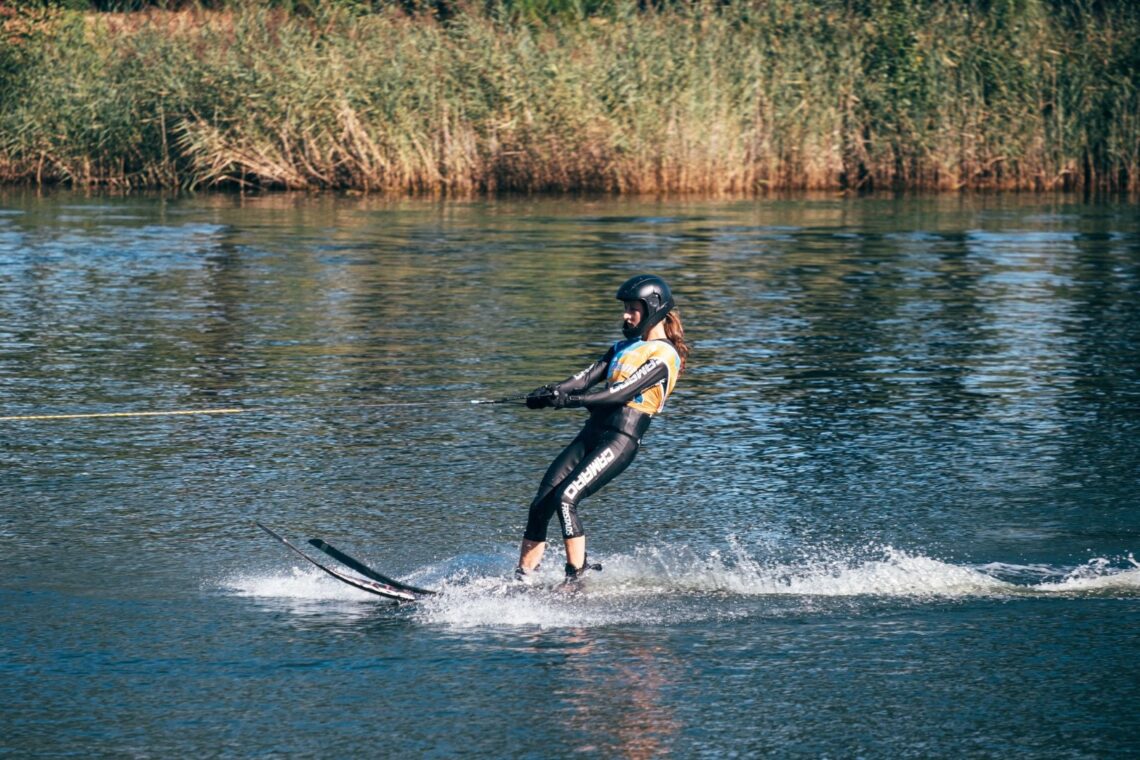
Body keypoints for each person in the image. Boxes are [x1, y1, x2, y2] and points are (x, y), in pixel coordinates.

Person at [516, 274, 690, 582]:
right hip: (593, 431)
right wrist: (549, 393)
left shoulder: (664, 355)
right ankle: (522, 579)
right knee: (541, 502)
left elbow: (620, 393)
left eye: (632, 308)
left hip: (621, 437)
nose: (625, 315)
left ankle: (576, 578)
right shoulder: (622, 347)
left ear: (653, 307)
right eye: (625, 308)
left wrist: (569, 401)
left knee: (566, 498)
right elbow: (583, 380)